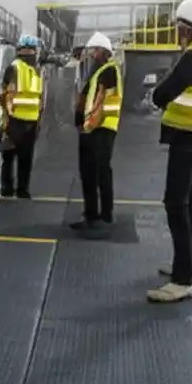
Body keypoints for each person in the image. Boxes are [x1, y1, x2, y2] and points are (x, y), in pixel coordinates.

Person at [148, 0, 192, 303]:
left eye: (178, 28)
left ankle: (182, 278)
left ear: (186, 30)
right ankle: (191, 264)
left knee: (175, 202)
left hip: (188, 137)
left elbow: (165, 90)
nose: (176, 34)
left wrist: (156, 97)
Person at [71, 32, 121, 235]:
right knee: (89, 173)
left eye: (94, 50)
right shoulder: (98, 70)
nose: (91, 53)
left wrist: (88, 126)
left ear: (103, 51)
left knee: (100, 172)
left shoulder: (108, 71)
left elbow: (101, 103)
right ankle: (92, 215)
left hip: (100, 129)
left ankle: (104, 216)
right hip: (92, 128)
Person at [0, 34, 43, 199]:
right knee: (13, 157)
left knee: (19, 158)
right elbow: (5, 95)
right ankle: (11, 189)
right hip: (16, 120)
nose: (31, 53)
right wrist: (5, 121)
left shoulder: (35, 71)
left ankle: (16, 189)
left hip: (29, 121)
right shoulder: (15, 68)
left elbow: (38, 98)